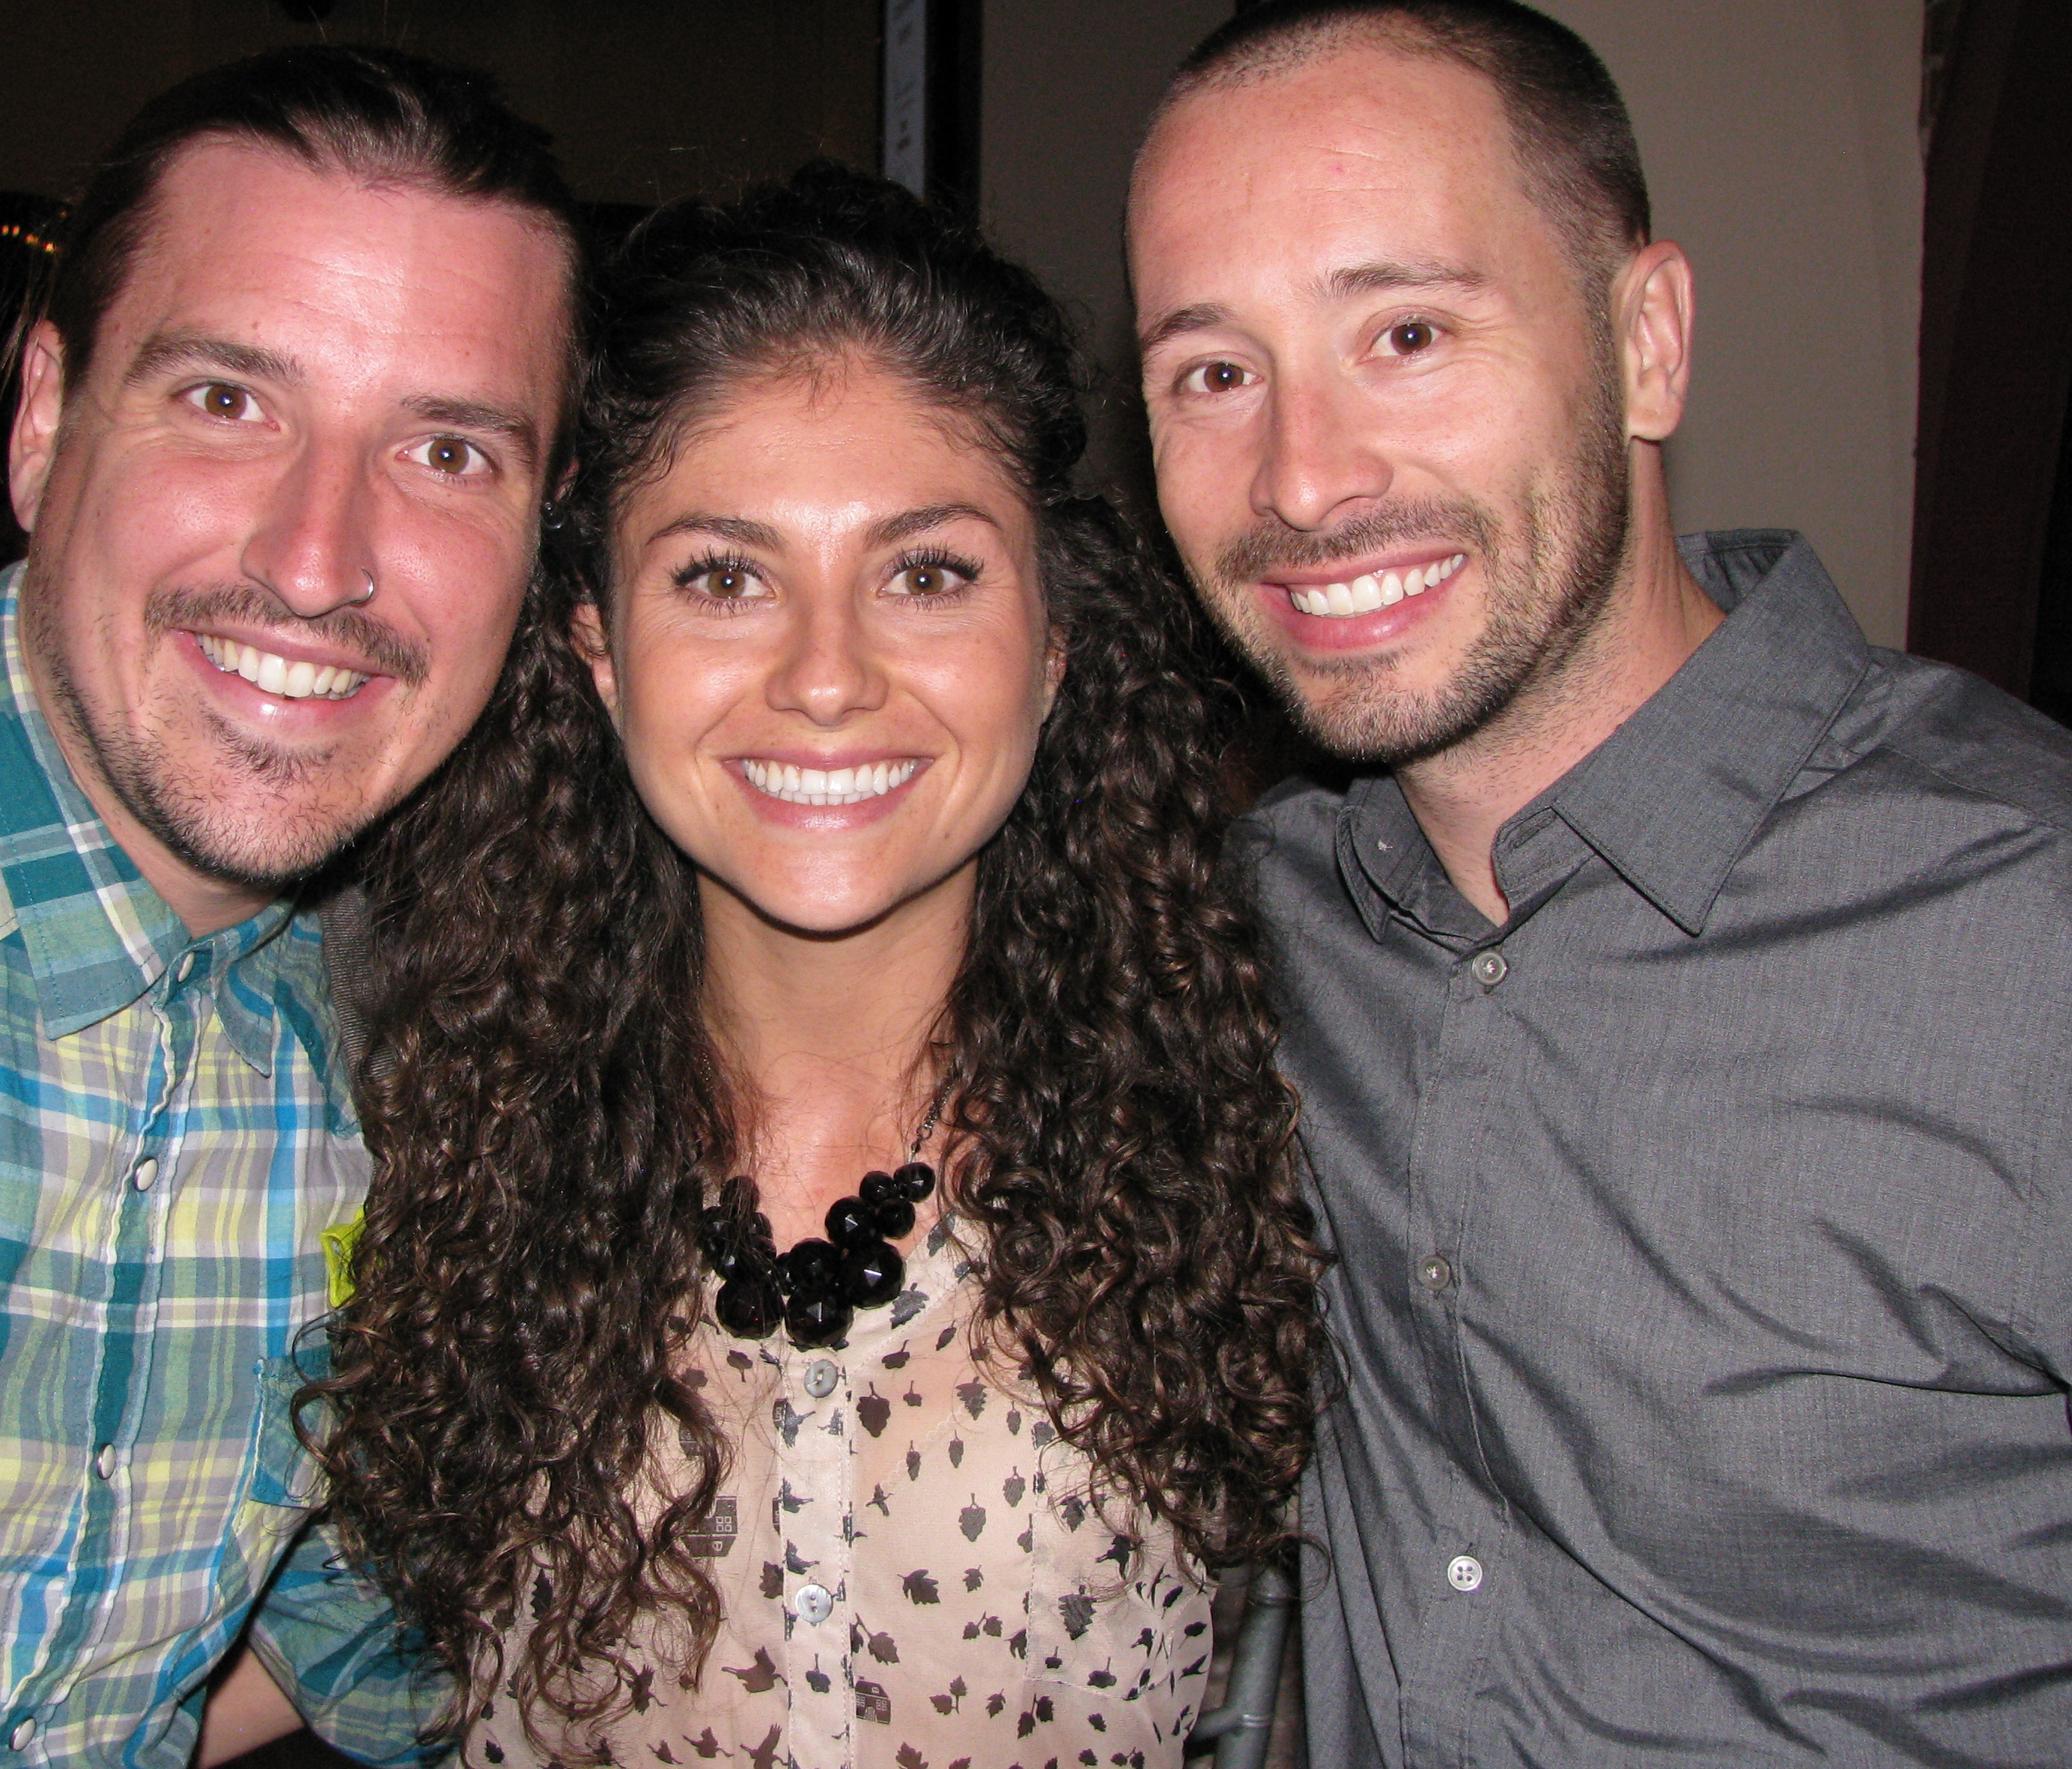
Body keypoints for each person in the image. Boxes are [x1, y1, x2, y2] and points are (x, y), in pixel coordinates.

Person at [1128, 0, 2072, 1766]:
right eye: (1213, 373)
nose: (1305, 477)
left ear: (1648, 341)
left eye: (1406, 333)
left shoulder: (2055, 942)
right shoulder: (1237, 927)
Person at [302, 165, 1333, 1767]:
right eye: (724, 577)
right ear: (598, 646)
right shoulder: (404, 1124)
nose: (828, 677)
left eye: (927, 573)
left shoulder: (1281, 1125)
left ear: (1053, 642)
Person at [0, 44, 579, 1767]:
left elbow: (404, 1665)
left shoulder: (414, 1054)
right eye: (228, 400)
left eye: (449, 451)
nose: (317, 560)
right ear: (43, 422)